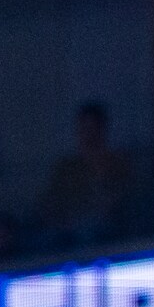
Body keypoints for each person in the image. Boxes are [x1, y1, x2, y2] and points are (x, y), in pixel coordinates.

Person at [38, 101, 134, 247]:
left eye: (93, 128)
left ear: (102, 129)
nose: (89, 135)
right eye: (84, 129)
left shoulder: (119, 164)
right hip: (66, 231)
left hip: (107, 230)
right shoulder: (66, 168)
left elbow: (122, 201)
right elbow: (50, 204)